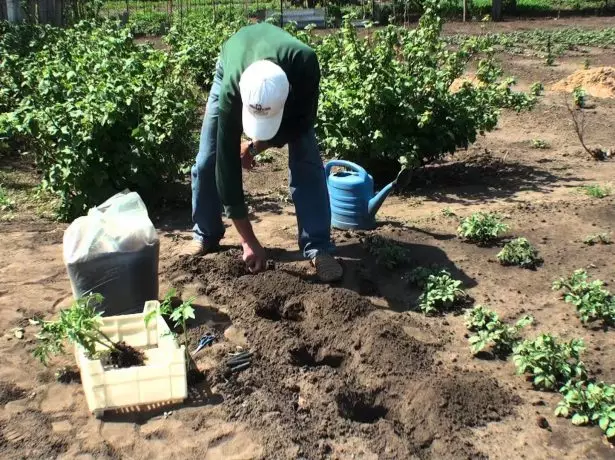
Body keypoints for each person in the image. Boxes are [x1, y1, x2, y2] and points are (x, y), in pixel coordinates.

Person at [186, 21, 343, 282]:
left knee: (307, 161)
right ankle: (206, 233)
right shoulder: (232, 90)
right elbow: (225, 167)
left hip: (288, 70)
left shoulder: (304, 64)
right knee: (206, 161)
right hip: (233, 63)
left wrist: (256, 146)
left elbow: (300, 122)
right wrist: (248, 240)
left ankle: (318, 246)